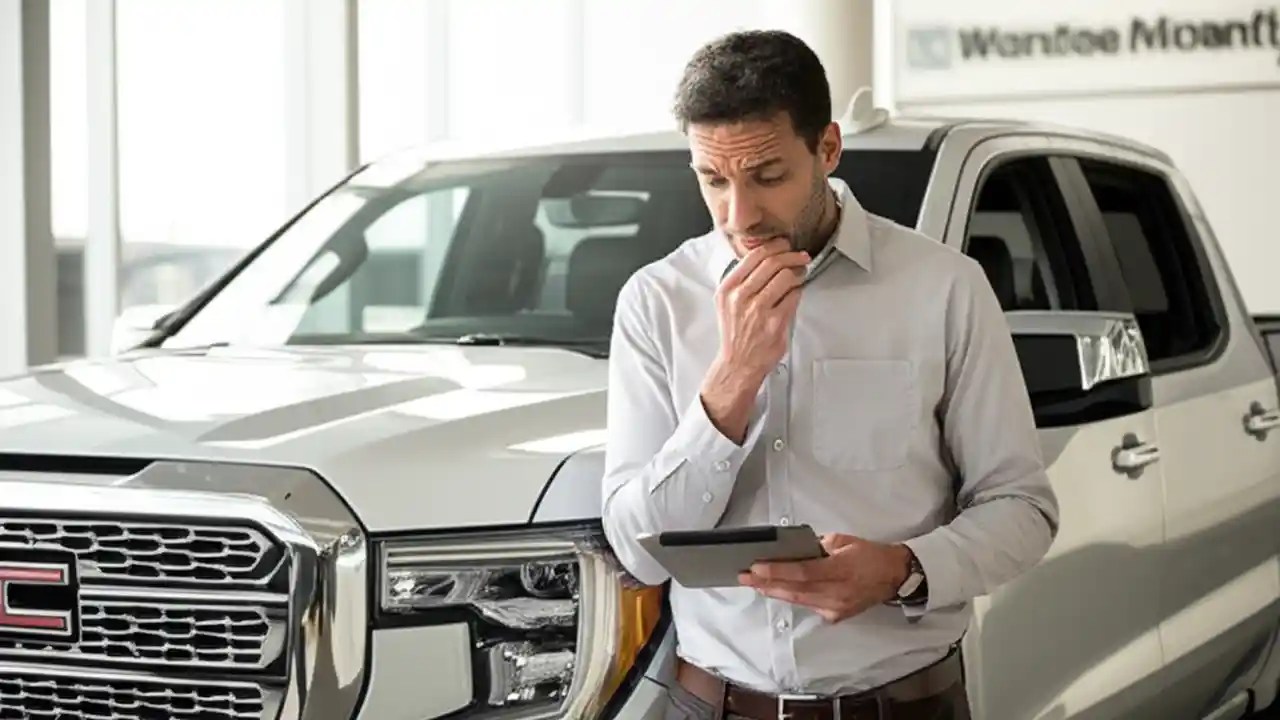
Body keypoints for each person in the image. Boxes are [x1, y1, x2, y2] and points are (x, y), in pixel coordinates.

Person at [599, 29, 1059, 720]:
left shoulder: (944, 289)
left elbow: (1024, 510)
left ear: (829, 149)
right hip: (710, 704)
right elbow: (640, 553)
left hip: (907, 705)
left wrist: (905, 568)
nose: (739, 215)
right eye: (713, 180)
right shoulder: (655, 301)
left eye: (768, 176)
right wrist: (733, 378)